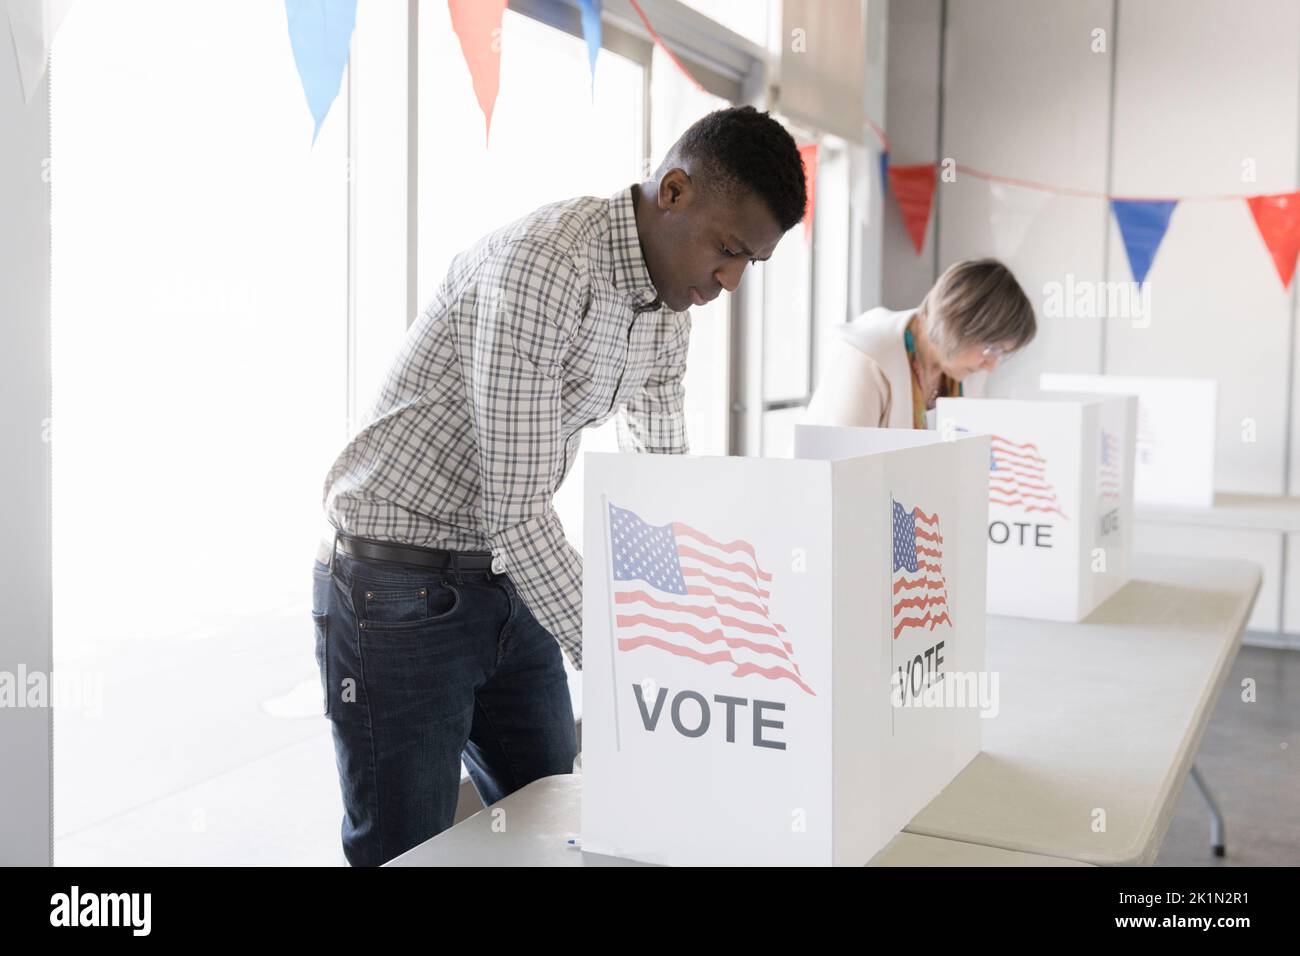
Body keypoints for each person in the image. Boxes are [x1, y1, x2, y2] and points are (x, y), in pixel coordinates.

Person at [311, 106, 808, 865]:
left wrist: (703, 622)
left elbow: (660, 479)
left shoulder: (670, 306)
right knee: (406, 848)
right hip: (396, 585)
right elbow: (515, 511)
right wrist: (629, 654)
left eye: (749, 264)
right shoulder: (543, 266)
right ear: (673, 190)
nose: (729, 281)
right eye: (728, 249)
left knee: (549, 818)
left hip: (512, 580)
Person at [805, 258, 1036, 429]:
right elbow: (843, 472)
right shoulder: (867, 358)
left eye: (1001, 353)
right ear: (958, 322)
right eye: (991, 349)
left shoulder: (966, 370)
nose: (991, 366)